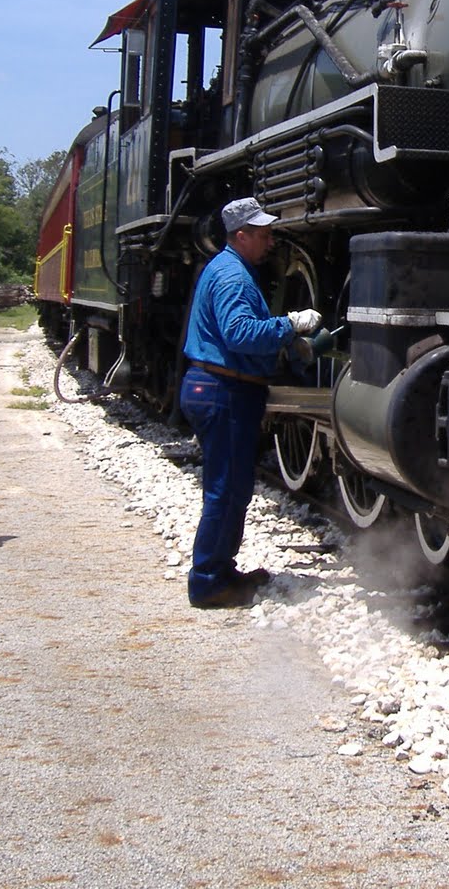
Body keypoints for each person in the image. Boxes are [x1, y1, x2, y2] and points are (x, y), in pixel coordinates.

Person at [180, 197, 322, 608]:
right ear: (241, 235)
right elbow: (240, 334)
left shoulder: (229, 268)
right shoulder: (233, 277)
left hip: (222, 389)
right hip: (223, 392)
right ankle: (208, 583)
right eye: (263, 234)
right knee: (225, 491)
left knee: (233, 488)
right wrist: (289, 325)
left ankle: (221, 571)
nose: (270, 241)